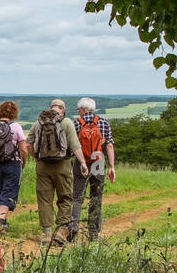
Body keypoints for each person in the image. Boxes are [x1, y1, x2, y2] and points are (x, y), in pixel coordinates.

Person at [28, 98, 88, 246]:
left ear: (50, 108)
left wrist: (36, 158)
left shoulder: (38, 123)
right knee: (65, 197)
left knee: (44, 199)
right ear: (63, 110)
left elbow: (28, 143)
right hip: (63, 164)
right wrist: (83, 163)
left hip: (42, 166)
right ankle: (61, 232)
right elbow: (75, 145)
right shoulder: (66, 122)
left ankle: (46, 233)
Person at [69, 97, 116, 242]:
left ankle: (73, 229)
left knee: (77, 197)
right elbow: (109, 145)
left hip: (81, 161)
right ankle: (94, 233)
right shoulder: (103, 122)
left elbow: (72, 146)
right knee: (96, 198)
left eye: (79, 110)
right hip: (98, 161)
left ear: (83, 110)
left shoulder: (76, 123)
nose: (78, 112)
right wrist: (112, 167)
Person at [0, 100, 28, 231]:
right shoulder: (16, 127)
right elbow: (23, 148)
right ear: (14, 112)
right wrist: (24, 161)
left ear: (0, 111)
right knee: (8, 189)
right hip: (12, 162)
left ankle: (2, 217)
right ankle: (2, 220)